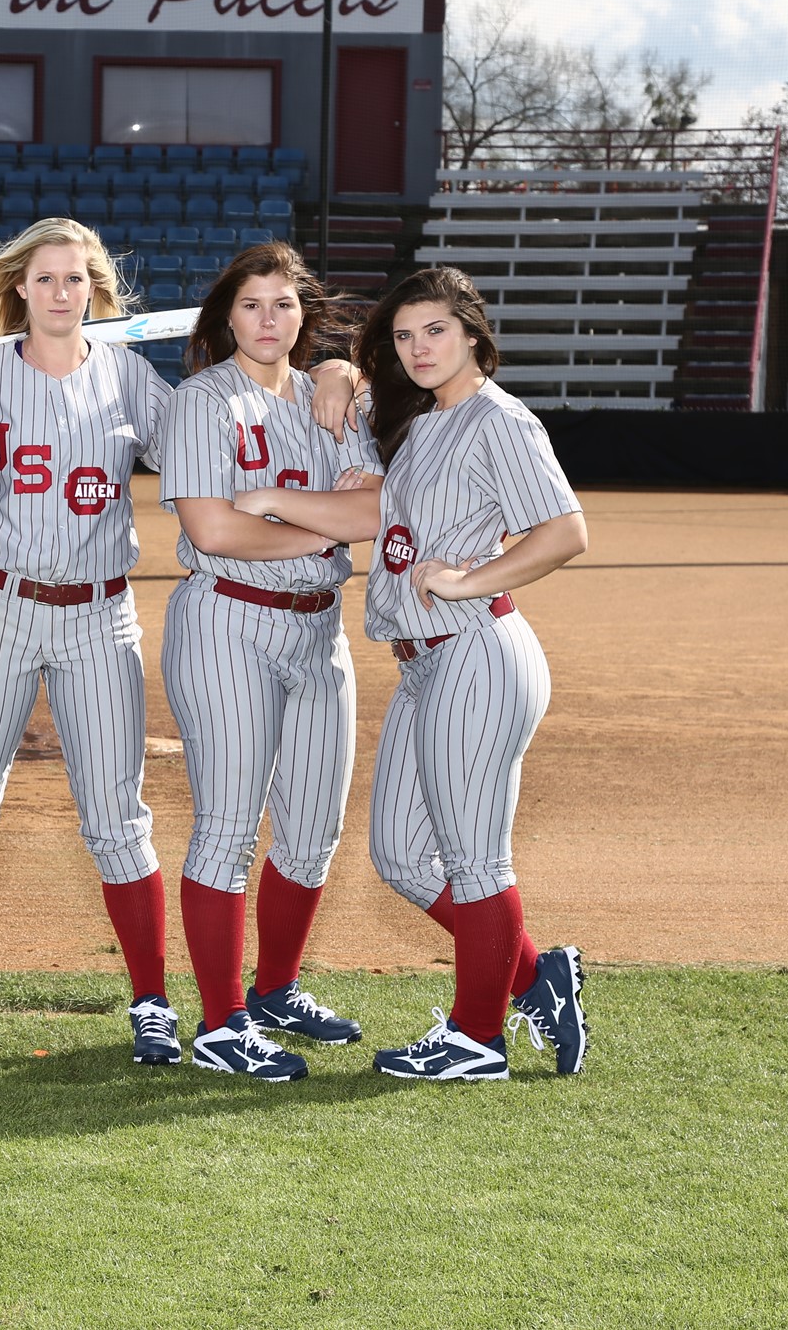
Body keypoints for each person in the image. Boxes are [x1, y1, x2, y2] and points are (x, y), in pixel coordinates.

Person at [0, 217, 179, 1064]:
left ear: (95, 291)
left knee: (118, 818)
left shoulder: (130, 375)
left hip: (101, 612)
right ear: (19, 287)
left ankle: (152, 1000)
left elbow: (197, 452)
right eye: (48, 278)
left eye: (77, 280)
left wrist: (324, 377)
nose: (63, 293)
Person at [154, 242, 385, 1082]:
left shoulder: (333, 401)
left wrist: (340, 378)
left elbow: (376, 508)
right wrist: (328, 523)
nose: (267, 320)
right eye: (251, 305)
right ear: (225, 319)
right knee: (226, 827)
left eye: (283, 305)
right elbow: (213, 530)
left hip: (319, 629)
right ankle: (221, 1024)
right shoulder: (200, 402)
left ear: (303, 317)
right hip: (227, 622)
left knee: (315, 828)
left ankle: (277, 989)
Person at [353, 266, 591, 1081]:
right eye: (404, 336)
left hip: (477, 654)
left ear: (473, 335)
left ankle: (476, 1037)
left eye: (436, 331)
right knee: (401, 857)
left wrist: (470, 578)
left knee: (475, 861)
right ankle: (534, 977)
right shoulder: (427, 424)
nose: (418, 348)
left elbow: (564, 531)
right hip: (426, 665)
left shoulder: (498, 419)